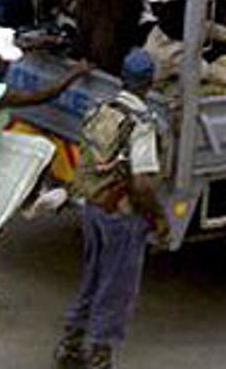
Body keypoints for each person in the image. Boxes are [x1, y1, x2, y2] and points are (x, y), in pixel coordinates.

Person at [0, 25, 92, 321]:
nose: (10, 65)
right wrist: (76, 73)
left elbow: (15, 47)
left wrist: (42, 42)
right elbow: (42, 97)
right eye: (7, 61)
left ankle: (31, 200)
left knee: (41, 149)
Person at [54, 49, 167, 369]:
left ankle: (71, 343)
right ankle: (98, 353)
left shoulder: (101, 110)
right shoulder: (141, 123)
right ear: (149, 83)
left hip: (94, 206)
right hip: (123, 213)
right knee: (117, 286)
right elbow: (142, 183)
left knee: (93, 276)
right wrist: (157, 218)